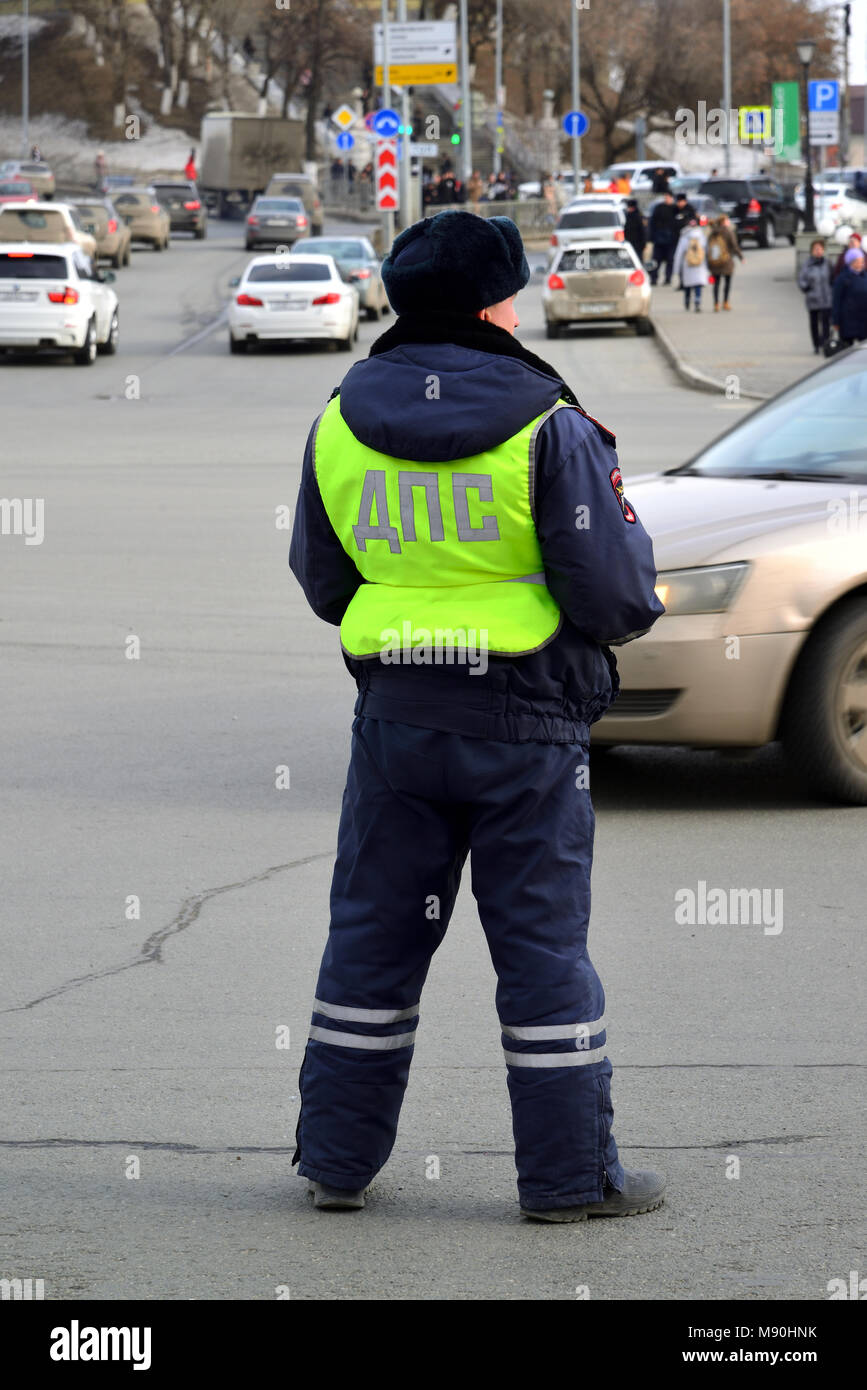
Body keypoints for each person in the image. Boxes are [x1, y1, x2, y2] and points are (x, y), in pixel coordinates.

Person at [288, 209, 666, 1222]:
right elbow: (617, 599)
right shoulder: (551, 422)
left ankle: (335, 1164)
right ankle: (567, 1181)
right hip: (527, 729)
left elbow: (324, 581)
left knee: (369, 941)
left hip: (398, 722)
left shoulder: (337, 415)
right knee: (542, 956)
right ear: (498, 302)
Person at [798, 239, 833, 352]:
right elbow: (801, 279)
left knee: (826, 323)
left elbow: (832, 278)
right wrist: (806, 287)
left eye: (820, 249)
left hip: (826, 298)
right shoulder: (807, 264)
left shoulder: (827, 263)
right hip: (813, 298)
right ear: (812, 251)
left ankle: (826, 343)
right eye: (816, 249)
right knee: (814, 324)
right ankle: (816, 344)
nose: (818, 251)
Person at [706, 213, 743, 311]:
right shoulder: (728, 231)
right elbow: (734, 246)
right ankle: (726, 302)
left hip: (714, 262)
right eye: (727, 220)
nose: (729, 222)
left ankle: (716, 304)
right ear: (723, 222)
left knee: (716, 283)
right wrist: (741, 257)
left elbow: (707, 247)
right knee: (727, 282)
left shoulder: (712, 232)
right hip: (726, 261)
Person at [831, 247, 867, 346]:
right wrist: (835, 321)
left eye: (862, 261)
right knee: (846, 350)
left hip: (863, 321)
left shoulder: (865, 276)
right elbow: (836, 301)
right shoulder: (842, 278)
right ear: (851, 262)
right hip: (847, 321)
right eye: (858, 261)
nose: (861, 264)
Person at [673, 217, 708, 310]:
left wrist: (676, 269)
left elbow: (679, 252)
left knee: (688, 284)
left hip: (687, 263)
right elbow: (706, 250)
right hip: (700, 264)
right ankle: (697, 300)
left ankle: (687, 300)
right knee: (698, 283)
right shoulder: (701, 235)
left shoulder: (684, 235)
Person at [648, 191, 677, 285]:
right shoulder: (659, 208)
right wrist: (652, 236)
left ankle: (668, 278)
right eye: (666, 197)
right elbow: (652, 223)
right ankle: (653, 278)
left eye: (669, 197)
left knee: (670, 260)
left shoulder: (675, 209)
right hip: (659, 239)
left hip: (671, 240)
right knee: (656, 260)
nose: (667, 199)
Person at [623, 197, 646, 261]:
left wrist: (643, 243)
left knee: (638, 260)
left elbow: (642, 231)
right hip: (630, 243)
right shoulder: (629, 215)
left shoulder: (638, 216)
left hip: (637, 244)